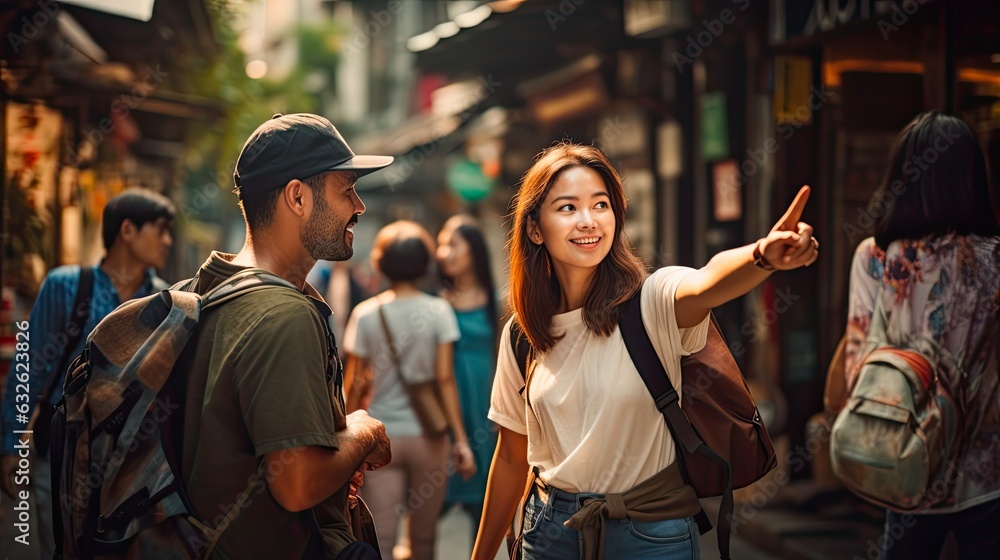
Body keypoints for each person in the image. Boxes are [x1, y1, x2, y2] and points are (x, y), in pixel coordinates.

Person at [471, 143, 819, 560]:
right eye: (567, 208)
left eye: (601, 204)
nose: (588, 221)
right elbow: (511, 458)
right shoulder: (523, 335)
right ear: (534, 229)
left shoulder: (651, 301)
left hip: (651, 535)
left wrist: (762, 256)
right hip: (549, 535)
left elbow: (708, 281)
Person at [179, 113, 393, 559]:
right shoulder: (283, 315)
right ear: (298, 197)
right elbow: (297, 485)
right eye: (346, 189)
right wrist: (363, 433)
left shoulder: (209, 286)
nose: (359, 206)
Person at [841, 111, 1000, 558]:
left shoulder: (874, 258)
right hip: (988, 474)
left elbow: (858, 370)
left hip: (909, 463)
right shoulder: (996, 259)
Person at [1, 187, 175, 560]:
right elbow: (28, 366)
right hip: (61, 452)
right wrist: (10, 445)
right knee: (60, 549)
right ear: (127, 230)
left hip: (132, 467)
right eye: (159, 229)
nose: (168, 240)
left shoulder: (165, 302)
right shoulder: (65, 287)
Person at [343, 220, 476, 560]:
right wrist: (460, 440)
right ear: (424, 263)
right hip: (428, 438)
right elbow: (445, 380)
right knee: (424, 541)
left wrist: (343, 442)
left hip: (379, 439)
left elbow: (354, 384)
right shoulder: (439, 311)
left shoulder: (366, 313)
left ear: (381, 263)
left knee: (381, 539)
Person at [436, 215, 499, 538]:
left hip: (489, 412)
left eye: (452, 244)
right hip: (447, 412)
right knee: (432, 507)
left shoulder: (498, 304)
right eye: (441, 244)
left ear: (474, 251)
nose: (443, 252)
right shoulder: (436, 305)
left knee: (488, 508)